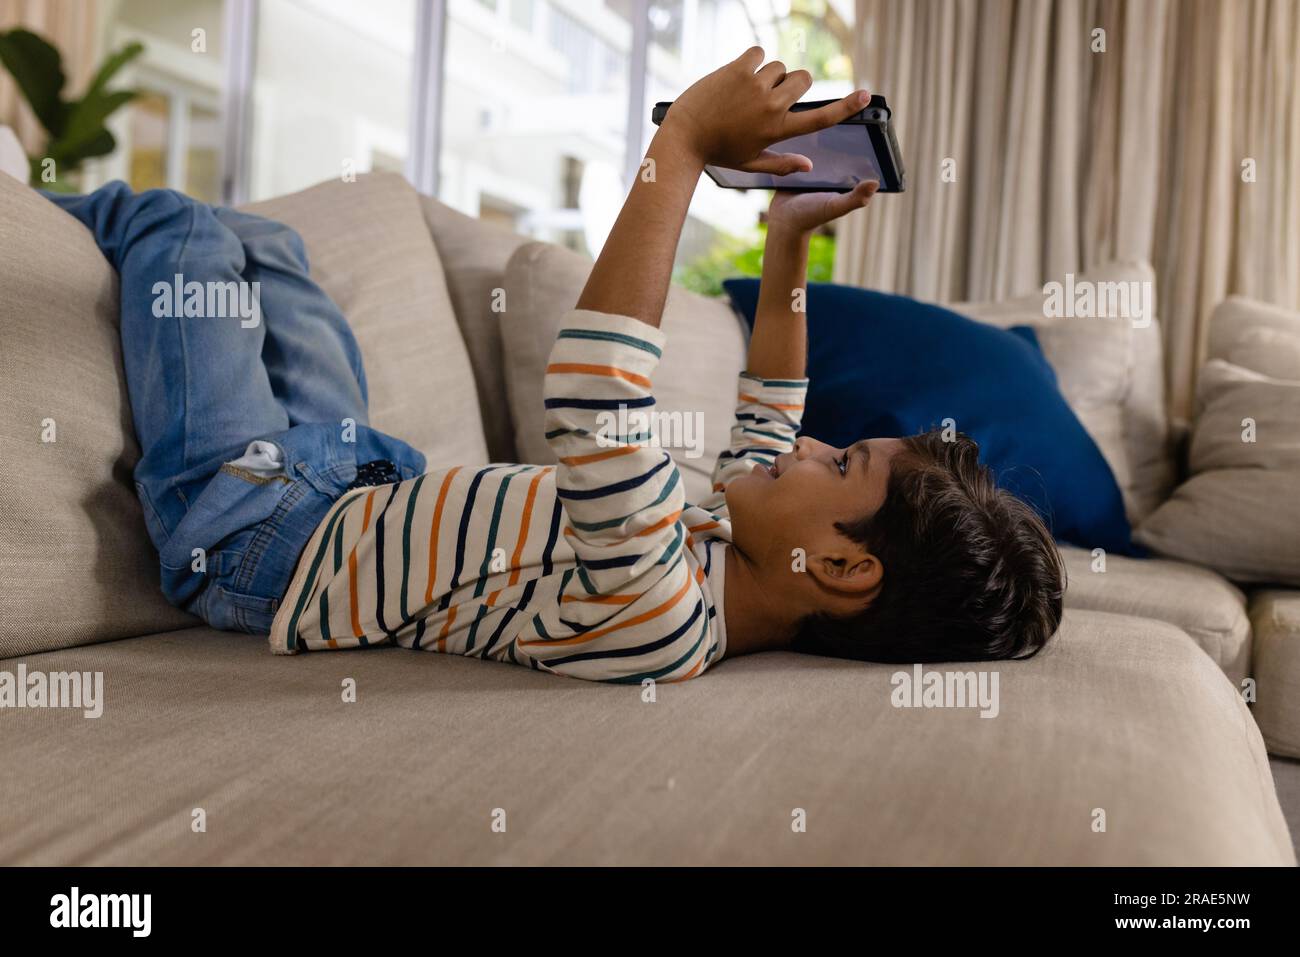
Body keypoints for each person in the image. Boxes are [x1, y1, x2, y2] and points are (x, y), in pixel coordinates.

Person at [52, 47, 1065, 682]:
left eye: (841, 465)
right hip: (359, 476)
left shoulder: (660, 616)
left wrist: (678, 149)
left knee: (180, 231)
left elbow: (595, 398)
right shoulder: (727, 533)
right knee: (275, 252)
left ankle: (28, 194)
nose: (808, 447)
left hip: (247, 534)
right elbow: (770, 405)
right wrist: (791, 238)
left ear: (843, 567)